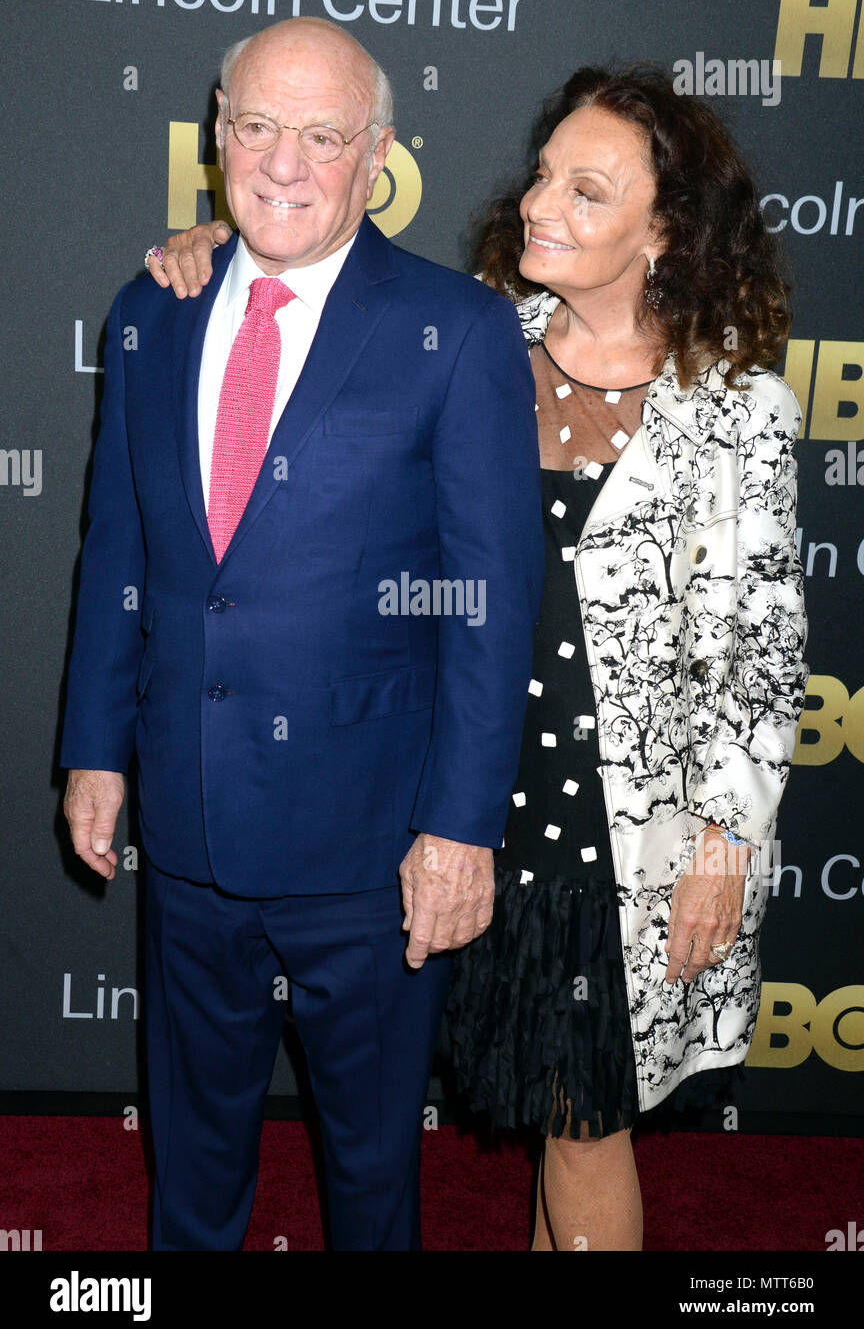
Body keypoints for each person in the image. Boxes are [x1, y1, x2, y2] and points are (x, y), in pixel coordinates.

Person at [152, 65, 809, 1252]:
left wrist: (729, 837)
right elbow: (315, 280)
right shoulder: (473, 334)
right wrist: (213, 246)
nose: (539, 202)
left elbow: (761, 653)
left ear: (663, 231)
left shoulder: (735, 408)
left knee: (585, 1115)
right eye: (544, 171)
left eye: (586, 188)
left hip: (626, 829)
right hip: (466, 808)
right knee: (550, 1104)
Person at [60, 17, 545, 1252]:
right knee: (192, 1159)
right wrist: (97, 749)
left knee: (375, 1177)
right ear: (218, 136)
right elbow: (118, 550)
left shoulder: (458, 332)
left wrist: (459, 828)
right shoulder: (152, 306)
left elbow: (489, 603)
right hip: (188, 828)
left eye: (322, 136)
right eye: (258, 127)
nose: (283, 162)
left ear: (375, 154)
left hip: (372, 853)